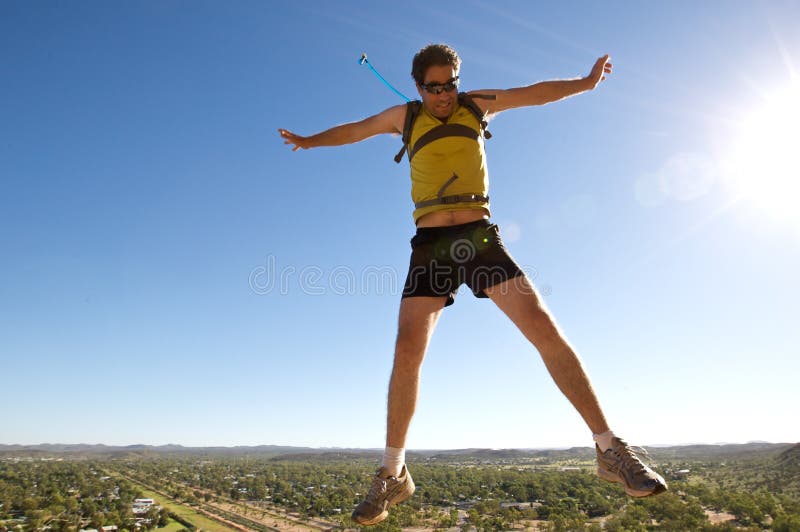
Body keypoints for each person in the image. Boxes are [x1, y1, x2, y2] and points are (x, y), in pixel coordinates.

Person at [279, 43, 667, 527]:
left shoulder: (476, 105)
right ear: (419, 85)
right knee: (407, 349)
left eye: (450, 85)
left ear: (459, 81)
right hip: (431, 243)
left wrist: (584, 84)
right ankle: (393, 474)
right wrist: (312, 141)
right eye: (434, 87)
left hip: (479, 237)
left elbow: (534, 93)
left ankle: (610, 451)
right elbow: (355, 130)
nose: (443, 95)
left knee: (542, 327)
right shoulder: (405, 116)